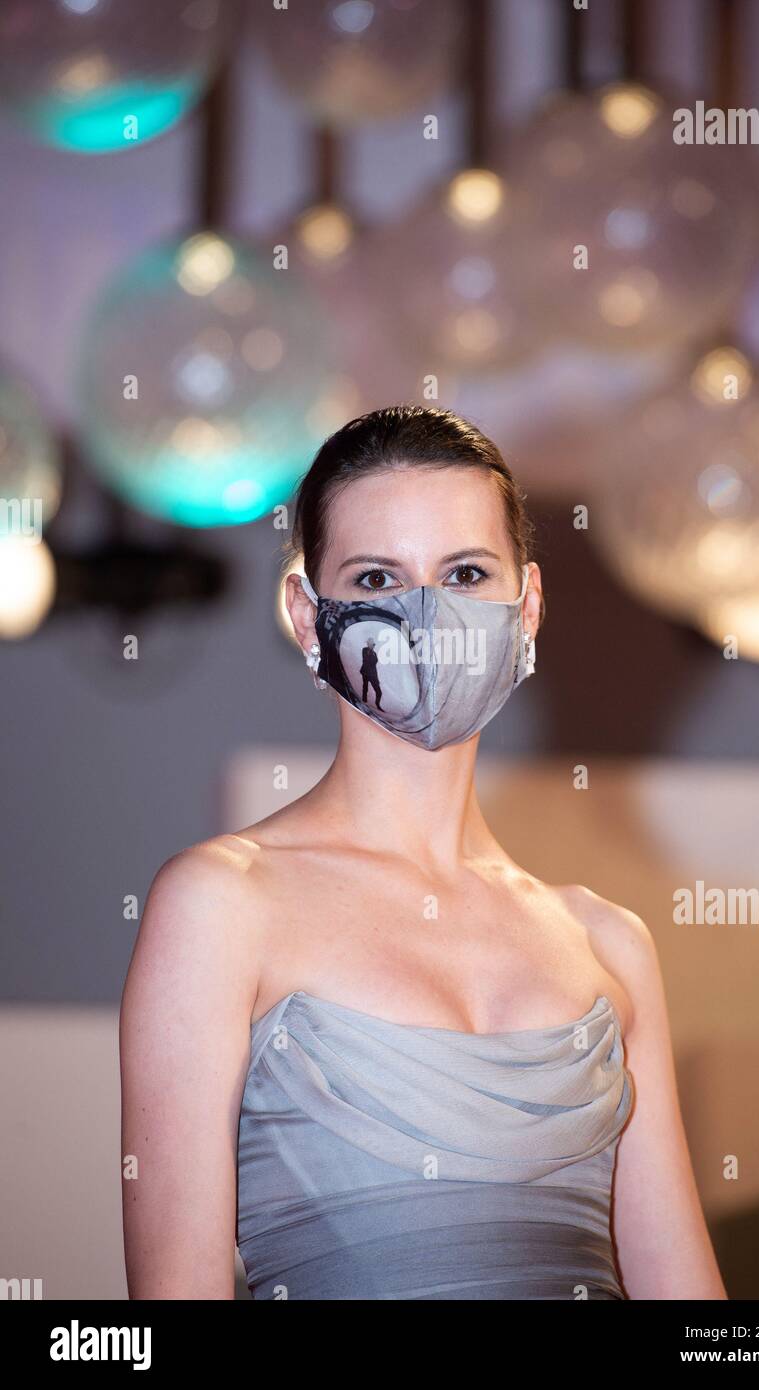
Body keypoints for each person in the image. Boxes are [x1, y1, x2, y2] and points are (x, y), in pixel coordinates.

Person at [120, 404, 727, 1300]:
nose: (427, 614)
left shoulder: (609, 942)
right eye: (376, 577)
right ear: (305, 613)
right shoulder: (220, 905)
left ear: (526, 606)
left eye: (465, 572)